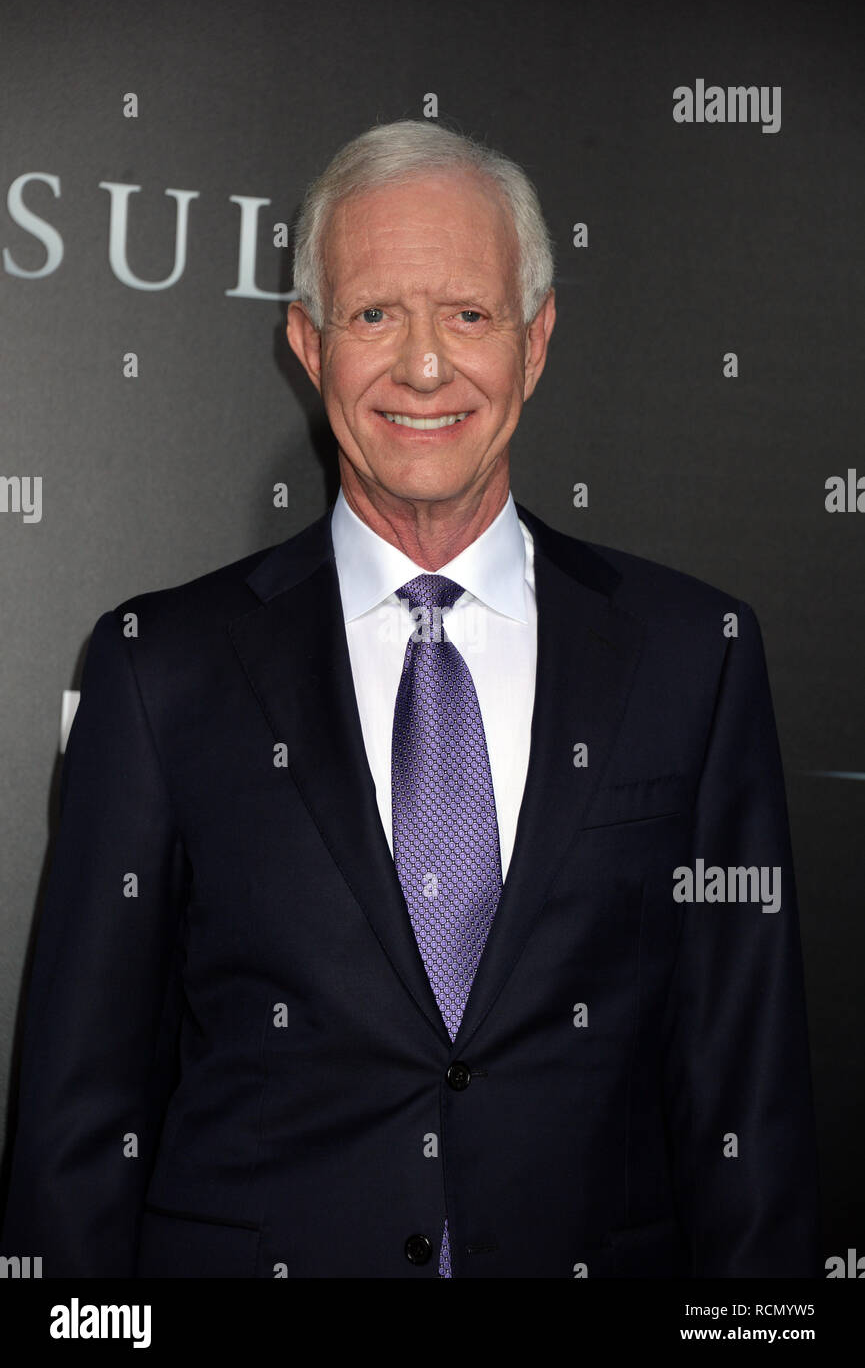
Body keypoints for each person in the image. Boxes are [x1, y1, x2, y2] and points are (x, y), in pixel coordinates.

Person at [1, 119, 820, 1278]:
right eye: (374, 314)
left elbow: (751, 1103)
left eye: (469, 316)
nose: (424, 366)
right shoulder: (158, 665)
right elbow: (77, 1122)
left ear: (535, 344)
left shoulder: (696, 654)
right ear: (306, 342)